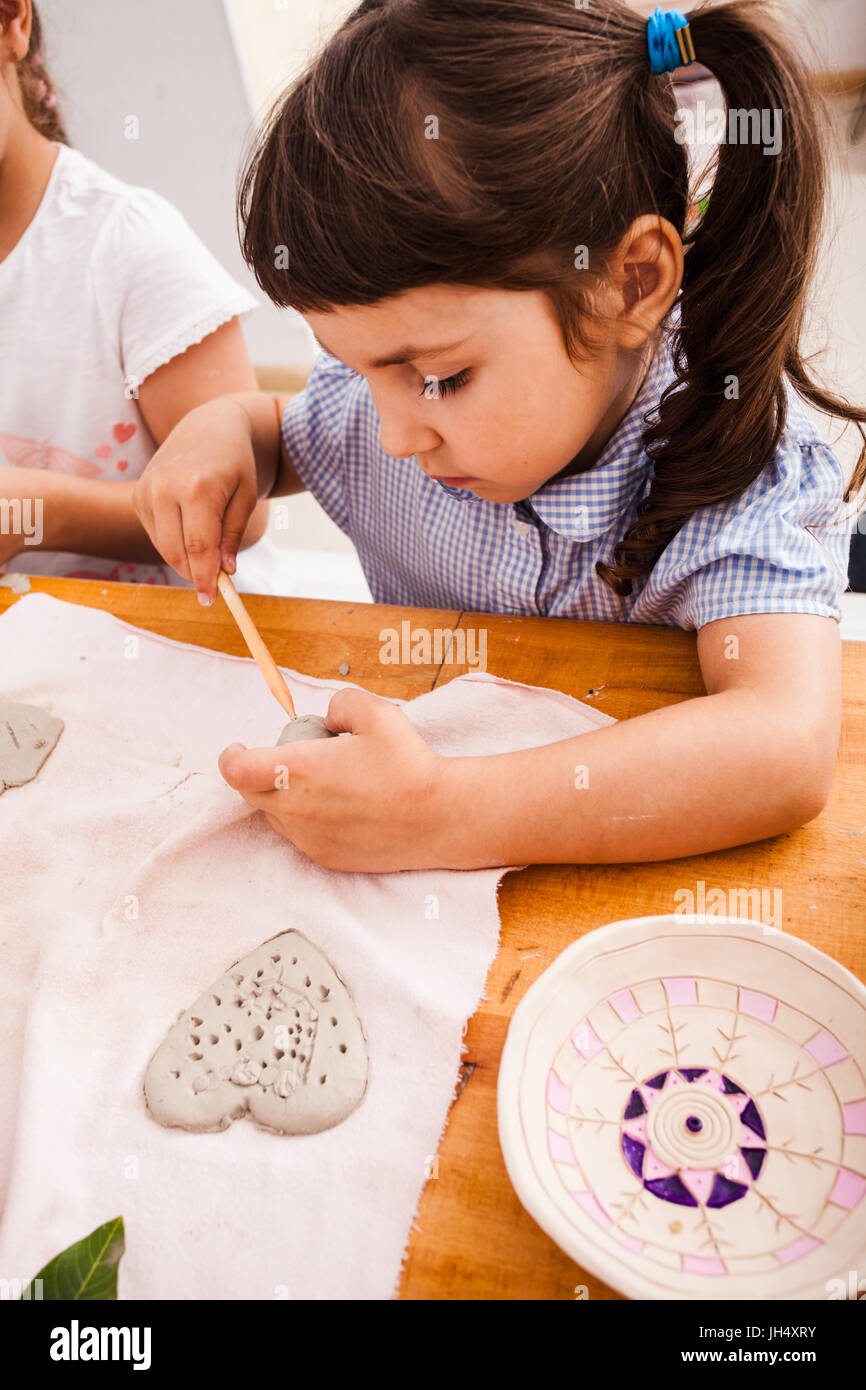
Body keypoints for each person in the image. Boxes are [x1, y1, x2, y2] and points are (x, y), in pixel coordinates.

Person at [133, 0, 865, 872]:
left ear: (631, 283)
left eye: (442, 377)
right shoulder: (385, 412)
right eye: (351, 366)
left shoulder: (734, 460)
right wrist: (225, 435)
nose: (394, 436)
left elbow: (782, 746)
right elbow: (286, 433)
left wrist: (440, 815)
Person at [0, 0, 269, 585]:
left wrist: (31, 514)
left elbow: (240, 514)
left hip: (184, 631)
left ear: (11, 21)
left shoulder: (126, 245)